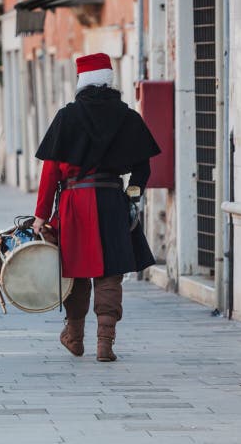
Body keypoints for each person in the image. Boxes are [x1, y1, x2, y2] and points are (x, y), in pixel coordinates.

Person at [32, 53, 160, 362]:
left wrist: (40, 215)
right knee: (110, 273)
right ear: (109, 81)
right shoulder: (127, 117)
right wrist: (131, 197)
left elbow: (51, 172)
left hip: (74, 203)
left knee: (76, 272)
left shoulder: (67, 116)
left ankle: (75, 337)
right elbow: (142, 168)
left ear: (82, 81)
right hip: (112, 202)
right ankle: (105, 343)